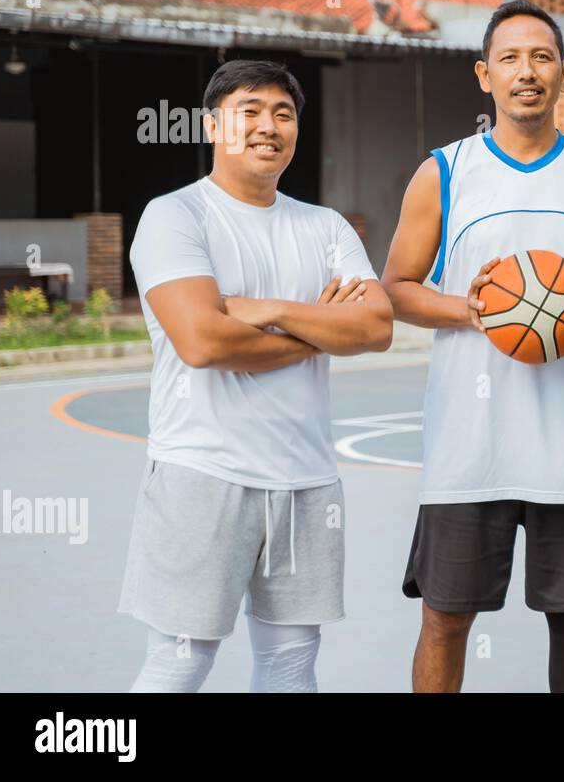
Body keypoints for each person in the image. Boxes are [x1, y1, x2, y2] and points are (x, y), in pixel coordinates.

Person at [382, 0, 564, 693]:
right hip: (469, 445)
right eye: (509, 58)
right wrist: (471, 311)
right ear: (485, 75)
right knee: (446, 618)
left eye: (541, 58)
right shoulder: (443, 172)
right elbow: (397, 288)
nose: (526, 72)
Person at [120, 58, 393, 692]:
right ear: (213, 125)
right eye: (250, 111)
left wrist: (270, 311)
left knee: (291, 663)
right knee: (181, 660)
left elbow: (376, 328)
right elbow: (203, 342)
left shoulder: (325, 226)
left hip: (306, 479)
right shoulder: (175, 216)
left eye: (284, 113)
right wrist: (321, 330)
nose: (269, 126)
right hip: (203, 471)